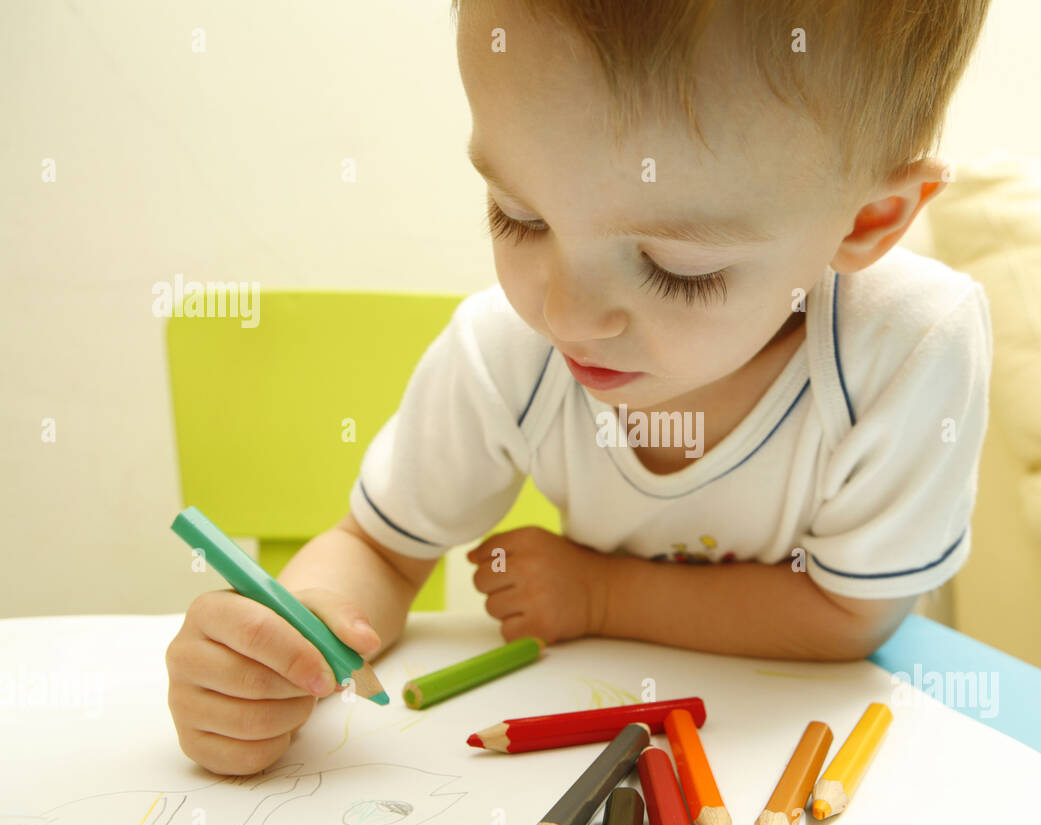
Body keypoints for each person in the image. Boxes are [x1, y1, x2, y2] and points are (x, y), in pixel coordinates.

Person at [167, 0, 993, 775]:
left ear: (868, 221)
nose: (564, 316)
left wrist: (603, 594)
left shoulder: (909, 347)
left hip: (812, 758)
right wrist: (289, 636)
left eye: (680, 269)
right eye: (516, 215)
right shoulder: (507, 347)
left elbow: (851, 615)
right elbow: (380, 551)